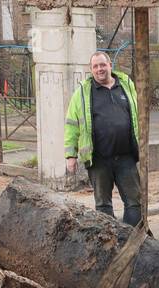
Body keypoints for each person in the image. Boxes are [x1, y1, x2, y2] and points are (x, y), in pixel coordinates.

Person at [65, 51, 142, 226]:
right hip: (98, 159)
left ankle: (132, 241)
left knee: (134, 202)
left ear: (110, 65)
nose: (100, 69)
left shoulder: (126, 85)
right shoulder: (83, 93)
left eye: (102, 65)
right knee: (103, 205)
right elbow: (71, 124)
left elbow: (138, 116)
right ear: (91, 70)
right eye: (95, 66)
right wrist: (71, 154)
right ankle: (110, 243)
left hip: (126, 157)